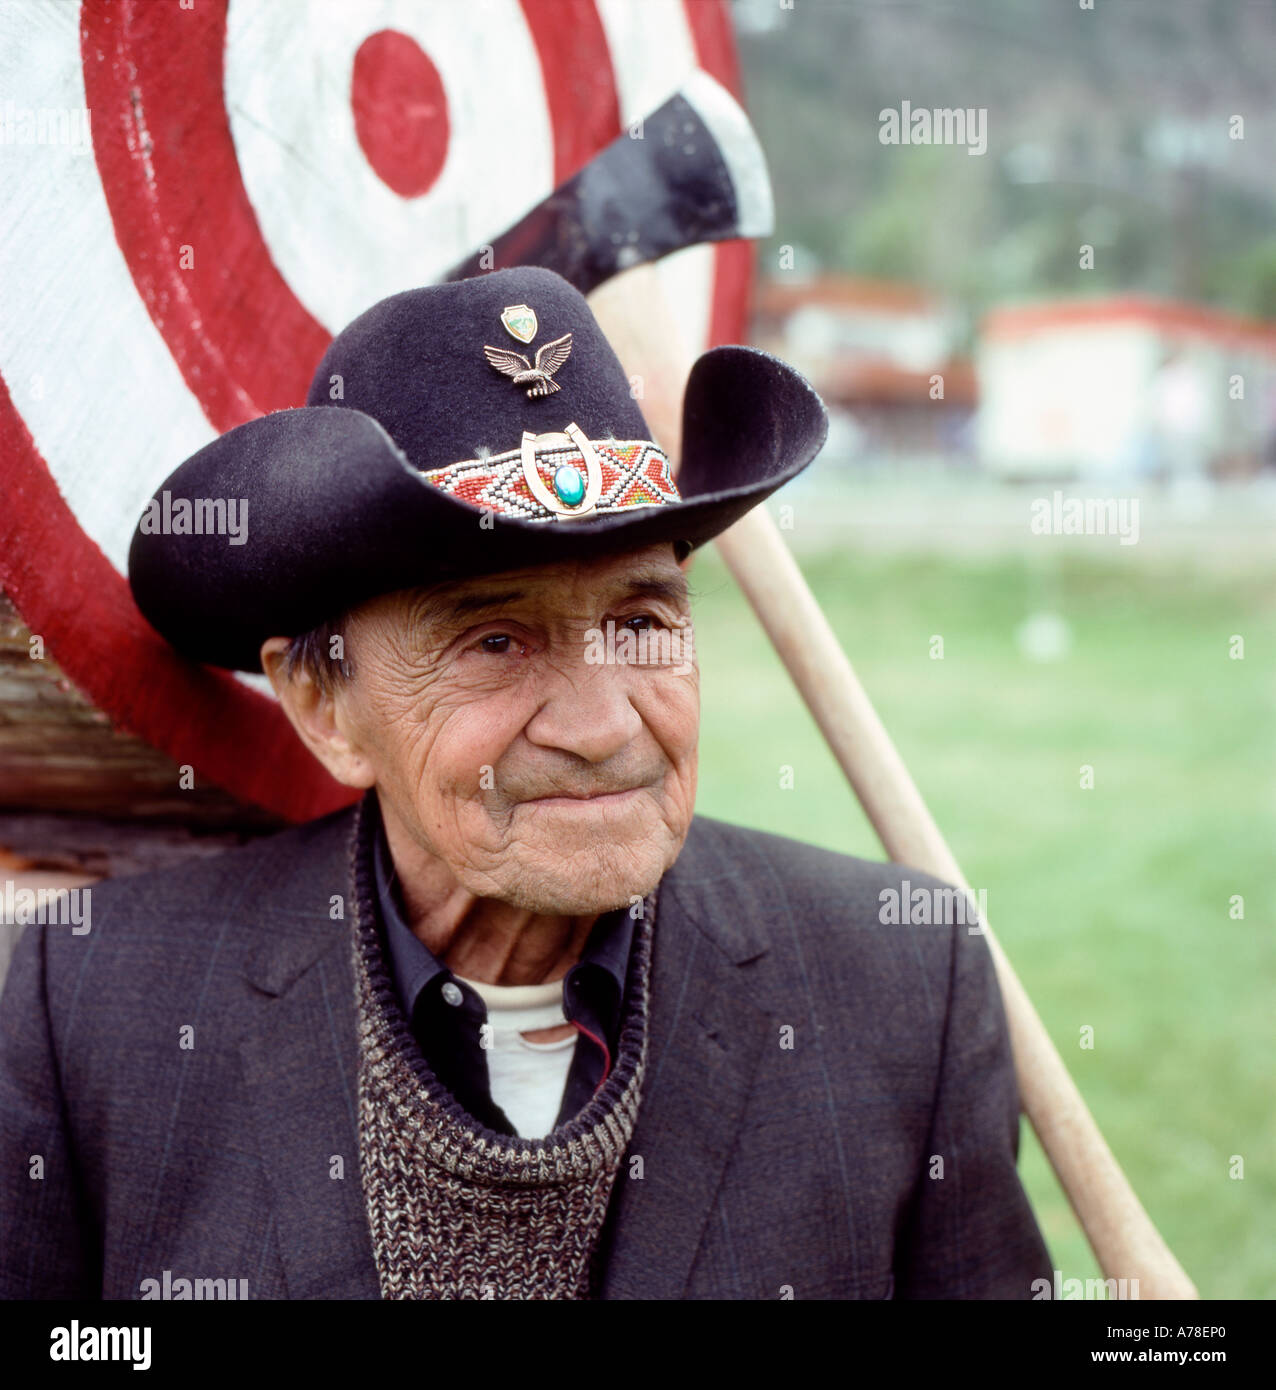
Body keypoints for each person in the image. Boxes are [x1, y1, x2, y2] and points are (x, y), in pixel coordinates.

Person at [0, 266, 1050, 1300]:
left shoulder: (903, 985)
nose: (601, 728)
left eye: (641, 625)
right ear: (325, 704)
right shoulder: (95, 1008)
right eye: (495, 640)